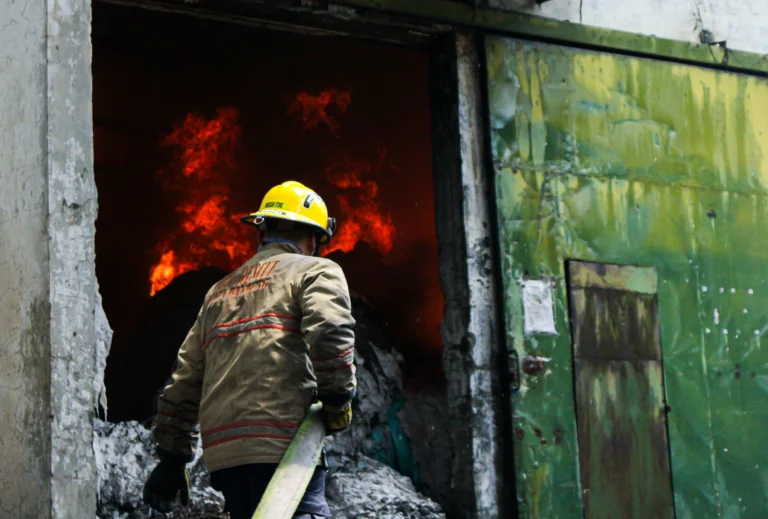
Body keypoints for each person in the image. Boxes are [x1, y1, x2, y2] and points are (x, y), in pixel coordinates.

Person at [142, 181, 357, 519]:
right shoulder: (316, 271)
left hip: (227, 461)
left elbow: (184, 379)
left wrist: (173, 457)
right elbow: (330, 330)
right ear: (315, 236)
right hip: (286, 450)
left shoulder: (218, 293)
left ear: (262, 230)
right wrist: (337, 399)